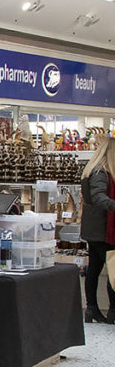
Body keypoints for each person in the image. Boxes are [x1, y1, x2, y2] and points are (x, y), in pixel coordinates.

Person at [80, 135, 115, 323]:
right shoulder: (101, 173)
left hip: (94, 230)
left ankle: (92, 309)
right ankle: (112, 311)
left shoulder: (92, 170)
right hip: (102, 231)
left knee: (94, 269)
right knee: (112, 270)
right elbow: (100, 199)